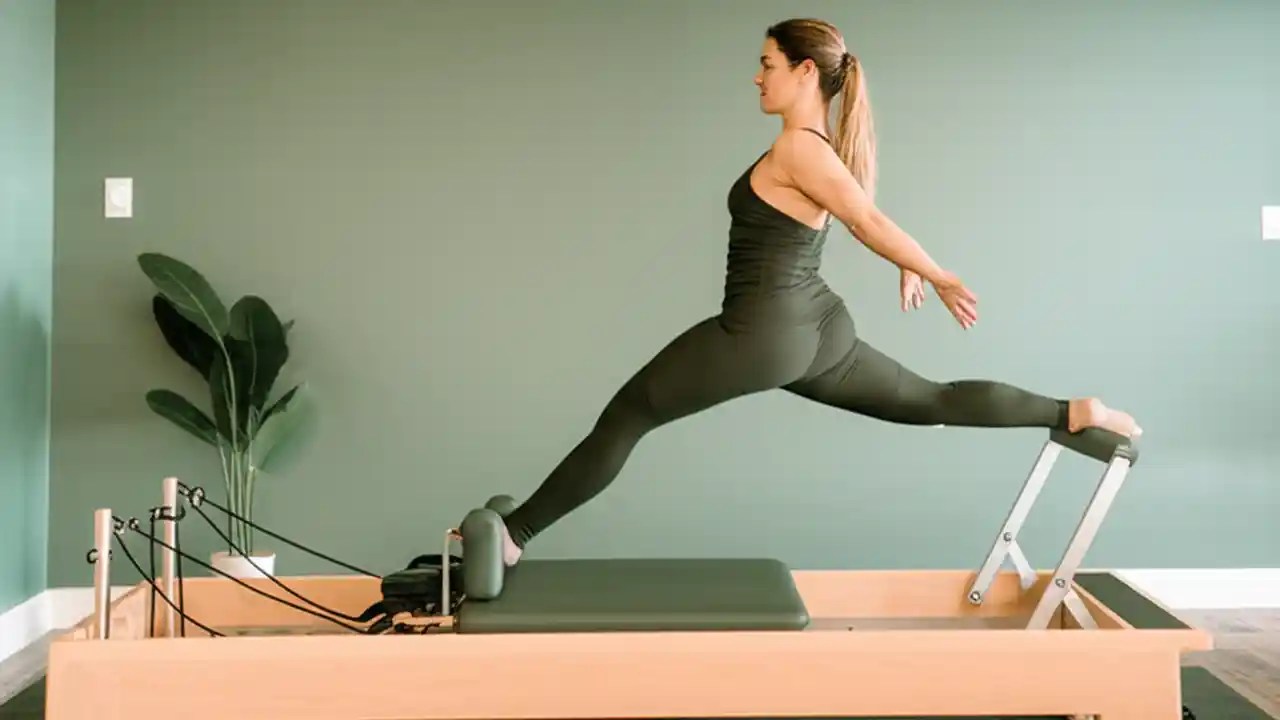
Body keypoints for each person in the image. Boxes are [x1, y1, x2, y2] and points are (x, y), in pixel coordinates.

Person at [491, 18, 1141, 566]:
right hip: (820, 329)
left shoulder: (800, 151)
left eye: (767, 63)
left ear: (805, 72)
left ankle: (516, 538)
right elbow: (862, 211)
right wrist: (908, 265)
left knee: (630, 415)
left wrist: (934, 271)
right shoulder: (816, 149)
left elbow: (867, 221)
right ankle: (1074, 410)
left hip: (764, 332)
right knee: (929, 401)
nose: (757, 75)